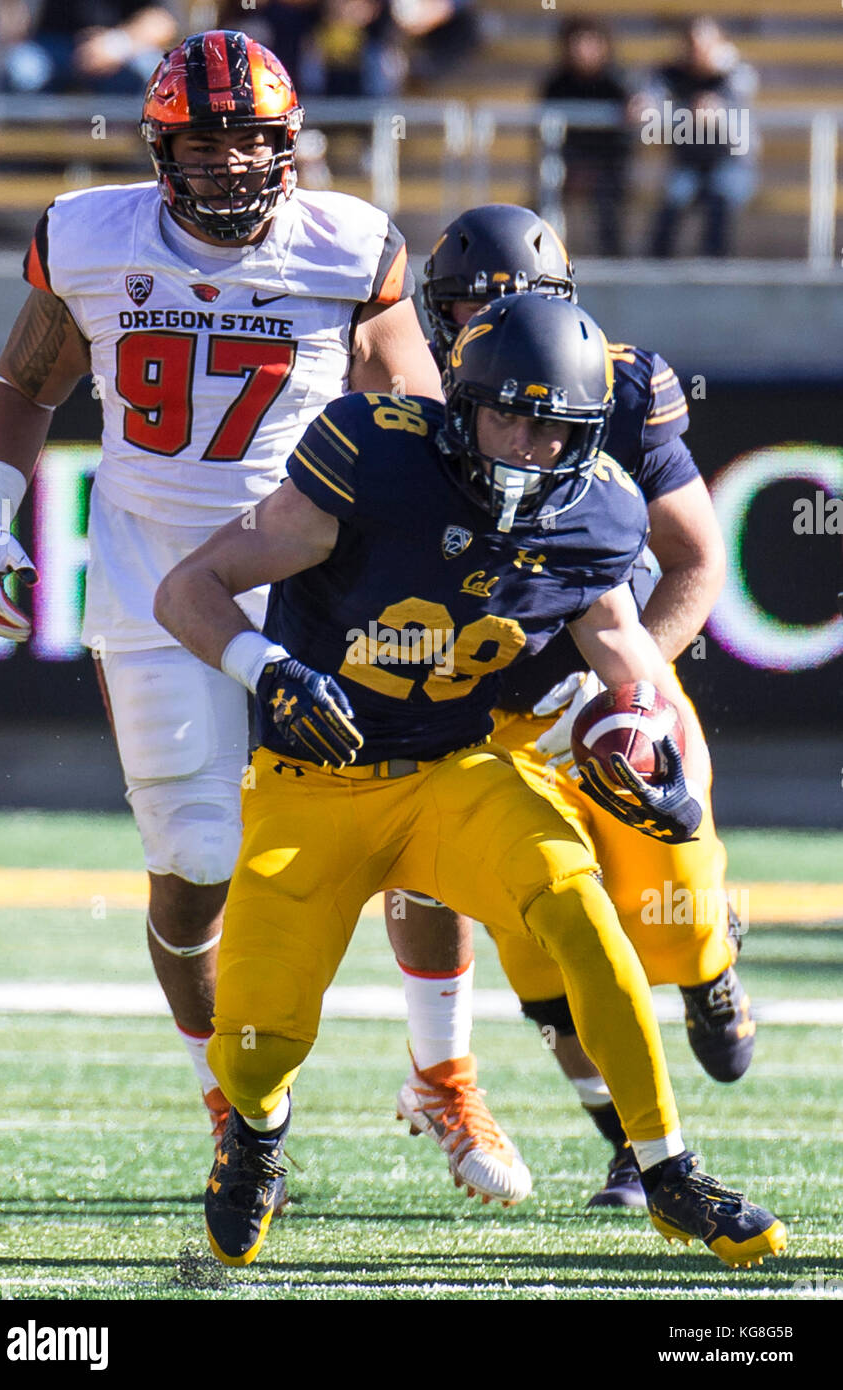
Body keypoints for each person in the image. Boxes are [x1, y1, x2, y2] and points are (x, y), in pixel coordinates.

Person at [155, 292, 786, 1272]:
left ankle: (666, 1169)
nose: (529, 447)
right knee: (256, 1043)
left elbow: (627, 658)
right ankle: (257, 1131)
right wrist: (268, 668)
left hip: (456, 769)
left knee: (580, 911)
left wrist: (665, 765)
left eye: (556, 427)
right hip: (310, 781)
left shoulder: (600, 510)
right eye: (510, 415)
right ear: (461, 404)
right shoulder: (375, 458)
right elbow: (185, 588)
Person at [0, 29, 442, 1153]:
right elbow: (23, 382)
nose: (231, 163)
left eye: (253, 140)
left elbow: (411, 405)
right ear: (160, 148)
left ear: (292, 144)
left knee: (406, 823)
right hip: (149, 574)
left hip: (313, 573)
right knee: (191, 861)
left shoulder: (349, 245)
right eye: (205, 142)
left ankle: (446, 1067)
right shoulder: (89, 237)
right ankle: (233, 1102)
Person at [388, 203, 748, 1211]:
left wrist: (629, 690)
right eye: (457, 307)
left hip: (602, 678)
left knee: (667, 911)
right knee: (538, 940)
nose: (473, 328)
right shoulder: (417, 407)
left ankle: (710, 965)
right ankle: (630, 1143)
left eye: (493, 305)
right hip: (485, 712)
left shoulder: (624, 384)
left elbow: (694, 559)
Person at [643, 17, 758, 258]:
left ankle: (713, 271)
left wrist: (719, 111)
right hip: (688, 165)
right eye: (694, 44)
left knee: (721, 201)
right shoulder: (673, 74)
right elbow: (650, 96)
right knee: (672, 204)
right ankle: (655, 269)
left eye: (707, 44)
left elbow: (744, 85)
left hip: (730, 163)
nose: (700, 51)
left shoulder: (734, 74)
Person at [541, 18, 630, 257]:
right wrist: (574, 166)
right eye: (577, 43)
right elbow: (547, 136)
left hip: (606, 167)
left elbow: (623, 141)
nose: (582, 50)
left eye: (589, 43)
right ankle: (546, 258)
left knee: (607, 201)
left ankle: (613, 260)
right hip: (567, 163)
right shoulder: (556, 85)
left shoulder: (617, 85)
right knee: (544, 192)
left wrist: (594, 168)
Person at [0, 1, 179, 96]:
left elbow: (163, 22)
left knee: (155, 71)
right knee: (23, 67)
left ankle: (141, 158)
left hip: (122, 50)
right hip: (54, 48)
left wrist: (115, 45)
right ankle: (30, 160)